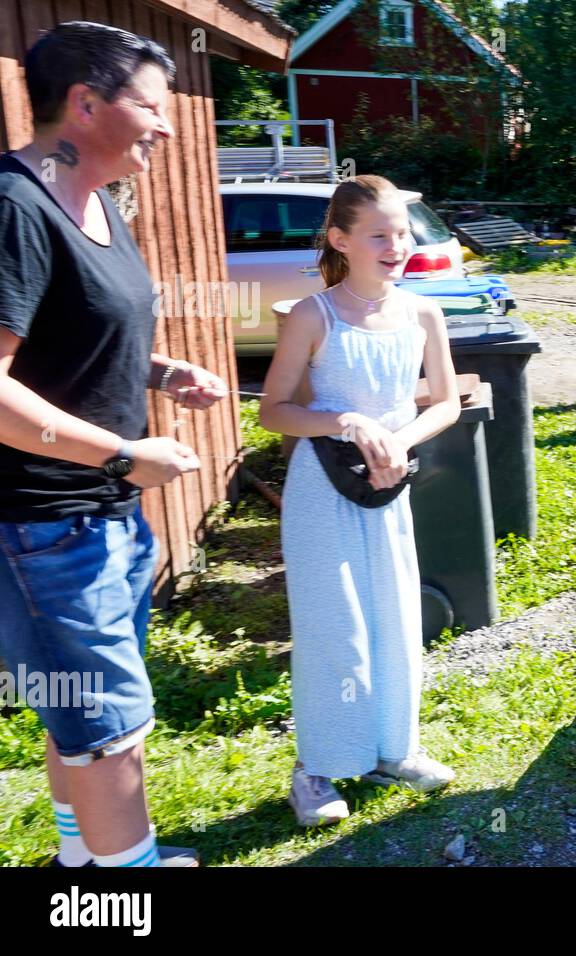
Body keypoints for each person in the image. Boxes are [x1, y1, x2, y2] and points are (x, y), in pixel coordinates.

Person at [0, 21, 230, 867]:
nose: (167, 126)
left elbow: (73, 343)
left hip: (103, 519)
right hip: (44, 525)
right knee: (110, 731)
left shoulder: (96, 201)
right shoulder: (15, 209)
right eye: (151, 106)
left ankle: (78, 863)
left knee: (84, 718)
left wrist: (164, 373)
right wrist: (126, 456)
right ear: (86, 104)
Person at [260, 175, 462, 826]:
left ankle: (391, 749)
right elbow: (274, 412)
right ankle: (314, 769)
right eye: (380, 234)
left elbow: (448, 401)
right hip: (324, 493)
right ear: (340, 240)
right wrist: (347, 420)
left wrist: (398, 442)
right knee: (333, 628)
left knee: (395, 618)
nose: (396, 244)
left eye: (402, 231)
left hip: (388, 487)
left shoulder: (423, 313)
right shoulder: (312, 316)